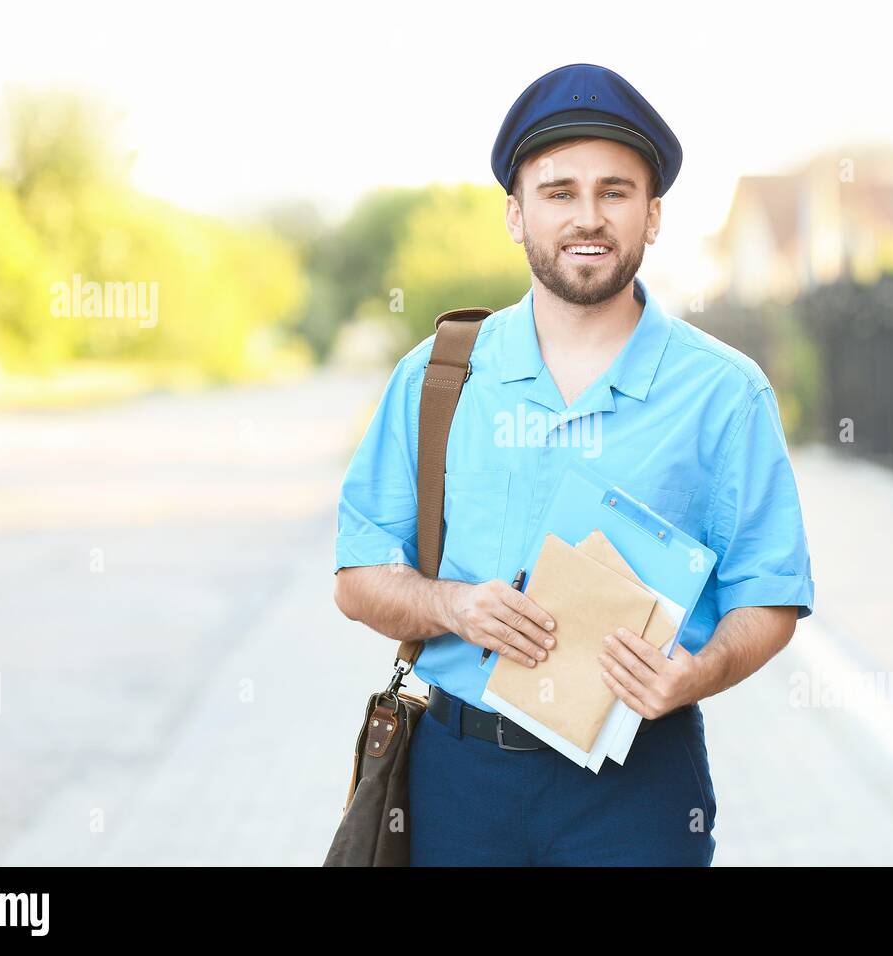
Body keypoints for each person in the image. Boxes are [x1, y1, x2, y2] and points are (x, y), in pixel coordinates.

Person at [333, 63, 815, 866]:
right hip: (459, 780)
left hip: (638, 787)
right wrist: (453, 606)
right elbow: (356, 577)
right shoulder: (439, 377)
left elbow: (770, 595)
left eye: (615, 191)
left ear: (653, 215)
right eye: (558, 192)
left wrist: (692, 676)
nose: (587, 217)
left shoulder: (726, 394)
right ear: (516, 215)